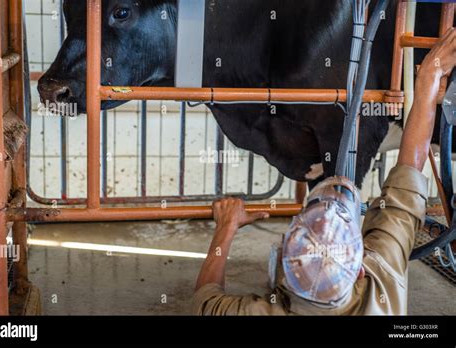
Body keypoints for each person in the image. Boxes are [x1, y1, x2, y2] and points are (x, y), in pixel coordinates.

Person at [192, 28, 456, 315]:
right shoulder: (383, 273)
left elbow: (206, 300)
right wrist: (431, 76)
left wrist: (225, 228)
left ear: (281, 259)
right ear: (359, 272)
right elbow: (412, 162)